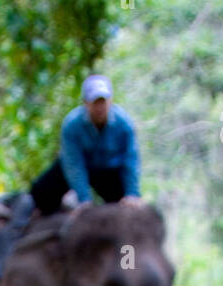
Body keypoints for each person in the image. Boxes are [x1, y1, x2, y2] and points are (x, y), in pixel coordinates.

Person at [30, 74, 141, 216]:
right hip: (81, 166)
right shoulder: (72, 125)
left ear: (110, 101)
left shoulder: (124, 124)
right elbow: (74, 164)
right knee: (41, 192)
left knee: (126, 209)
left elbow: (131, 160)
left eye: (103, 102)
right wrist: (84, 200)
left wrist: (132, 193)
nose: (99, 107)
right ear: (85, 103)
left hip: (109, 170)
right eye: (95, 102)